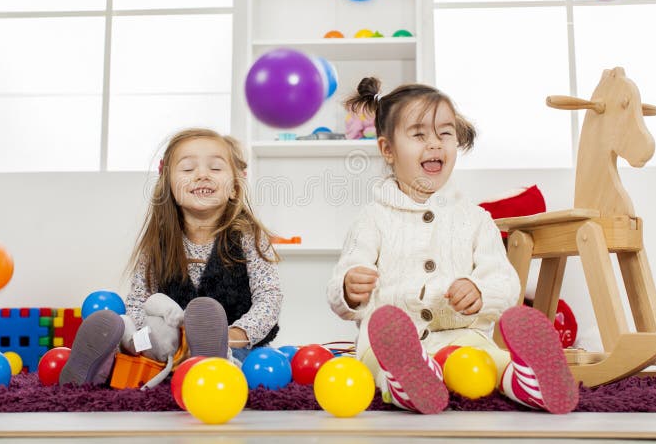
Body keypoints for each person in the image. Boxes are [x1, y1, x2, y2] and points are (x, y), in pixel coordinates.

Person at [326, 78, 578, 414]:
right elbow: (343, 279)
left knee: (489, 362)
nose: (434, 144)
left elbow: (504, 282)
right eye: (418, 134)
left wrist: (479, 292)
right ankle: (406, 383)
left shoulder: (475, 219)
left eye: (444, 133)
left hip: (461, 336)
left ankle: (527, 383)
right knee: (376, 362)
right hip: (393, 342)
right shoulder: (371, 219)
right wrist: (349, 287)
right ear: (387, 150)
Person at [61, 128, 283, 386]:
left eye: (215, 168)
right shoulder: (159, 243)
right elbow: (138, 302)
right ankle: (95, 366)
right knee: (127, 333)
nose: (201, 175)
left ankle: (210, 363)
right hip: (167, 345)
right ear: (168, 186)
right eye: (188, 169)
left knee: (241, 365)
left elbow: (269, 296)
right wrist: (155, 336)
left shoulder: (248, 237)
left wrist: (238, 332)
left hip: (232, 344)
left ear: (234, 187)